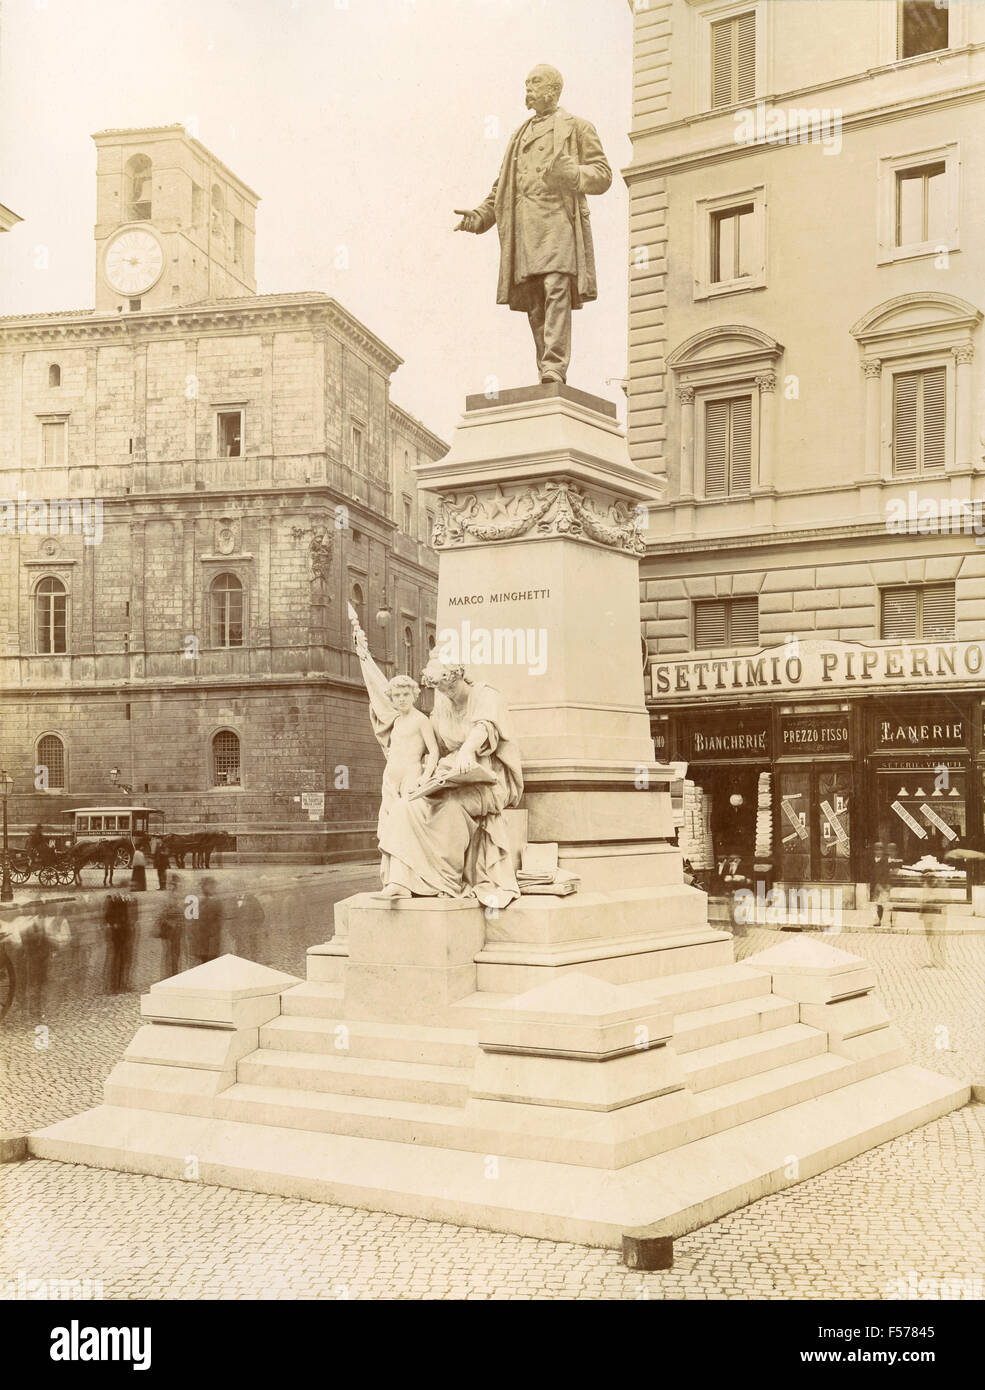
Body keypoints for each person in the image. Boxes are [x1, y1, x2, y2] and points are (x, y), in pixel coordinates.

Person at [454, 64, 611, 385]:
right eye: (526, 83)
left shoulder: (577, 127)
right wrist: (481, 216)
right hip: (525, 229)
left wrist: (574, 174)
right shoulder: (519, 134)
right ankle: (545, 366)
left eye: (535, 83)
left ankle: (554, 364)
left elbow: (603, 173)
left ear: (553, 89)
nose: (528, 89)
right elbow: (503, 187)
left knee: (556, 288)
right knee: (535, 299)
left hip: (559, 224)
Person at [354, 637, 523, 908]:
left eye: (450, 687)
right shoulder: (443, 703)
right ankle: (401, 881)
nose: (447, 694)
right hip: (450, 777)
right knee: (406, 806)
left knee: (451, 809)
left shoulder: (486, 695)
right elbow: (432, 740)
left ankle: (447, 880)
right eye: (441, 690)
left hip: (486, 780)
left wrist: (468, 751)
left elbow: (485, 727)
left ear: (459, 677)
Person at [154, 872, 185, 979]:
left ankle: (174, 975)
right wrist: (170, 922)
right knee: (169, 954)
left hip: (177, 929)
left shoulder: (179, 897)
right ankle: (168, 976)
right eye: (173, 884)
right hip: (169, 929)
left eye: (175, 884)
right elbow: (161, 914)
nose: (173, 886)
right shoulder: (167, 898)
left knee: (175, 953)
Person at [191, 877, 223, 965]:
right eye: (204, 886)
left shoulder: (217, 902)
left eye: (210, 886)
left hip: (212, 940)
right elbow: (195, 921)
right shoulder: (200, 902)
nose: (204, 888)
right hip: (202, 940)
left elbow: (219, 921)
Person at [231, 887, 265, 964]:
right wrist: (232, 931)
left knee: (253, 952)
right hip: (238, 934)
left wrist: (254, 926)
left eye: (239, 887)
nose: (237, 891)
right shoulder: (231, 900)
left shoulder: (253, 899)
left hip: (251, 932)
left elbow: (261, 915)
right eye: (235, 888)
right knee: (239, 953)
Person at [870, 841, 892, 926]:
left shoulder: (886, 860)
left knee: (885, 903)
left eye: (880, 849)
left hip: (883, 885)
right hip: (875, 885)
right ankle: (878, 920)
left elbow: (886, 873)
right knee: (877, 903)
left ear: (883, 851)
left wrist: (884, 885)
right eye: (876, 849)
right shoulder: (872, 860)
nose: (878, 851)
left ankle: (888, 921)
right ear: (874, 850)